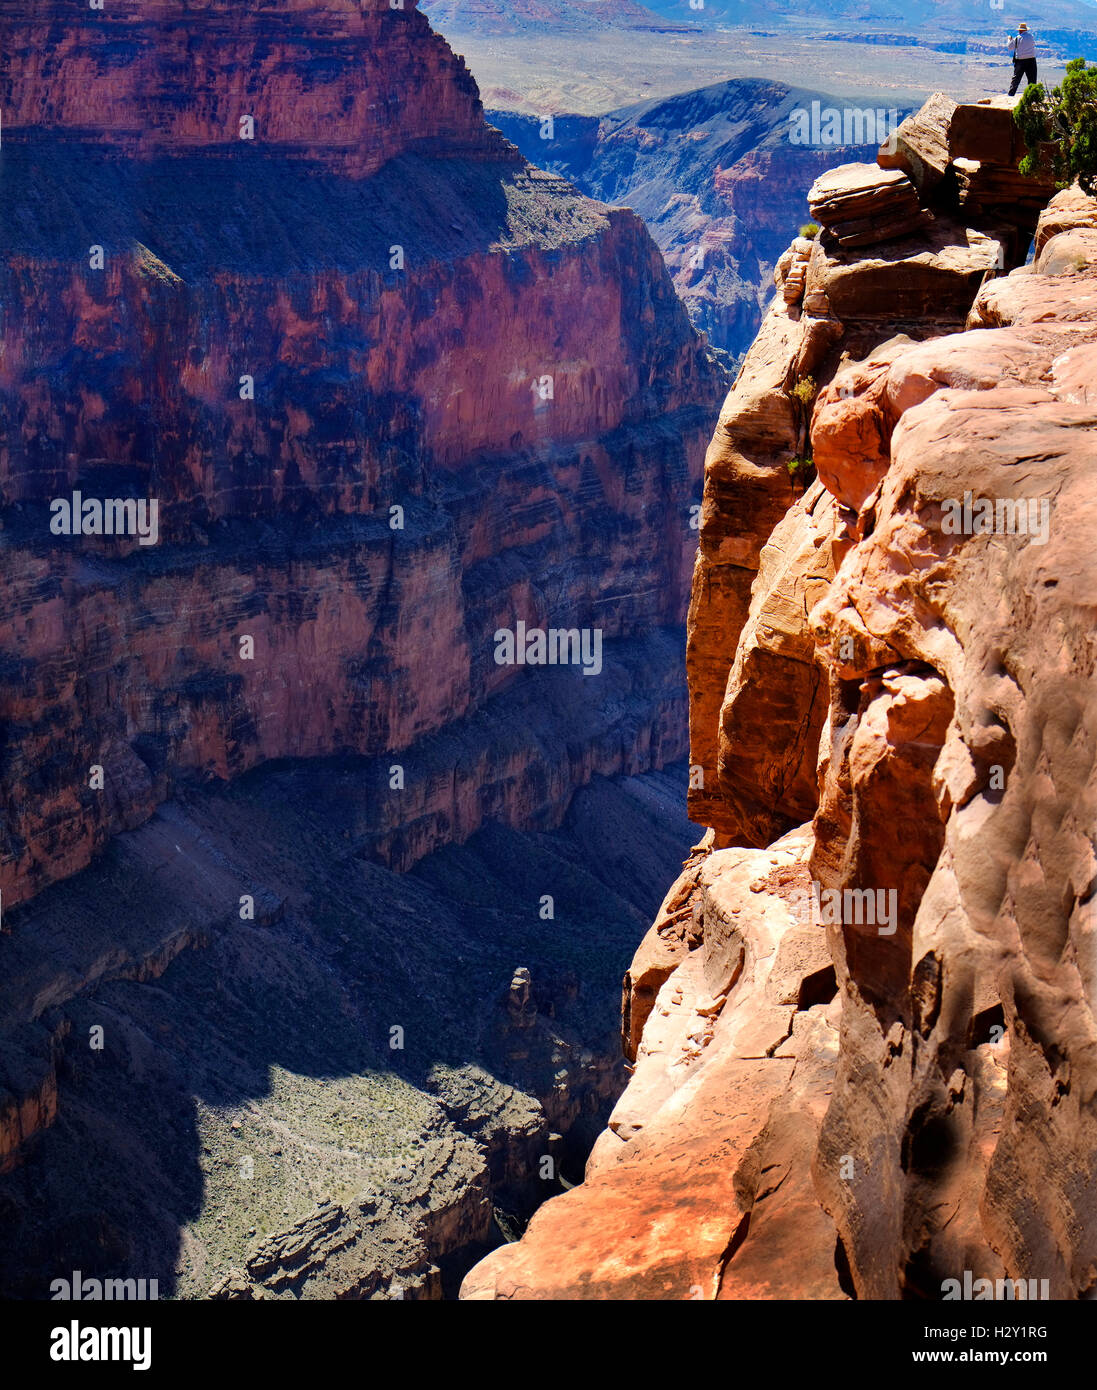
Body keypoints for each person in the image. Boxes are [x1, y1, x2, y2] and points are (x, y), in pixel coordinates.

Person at [1007, 23, 1038, 95]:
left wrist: (1009, 40)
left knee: (1016, 79)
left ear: (1020, 30)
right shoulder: (1031, 37)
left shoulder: (1018, 38)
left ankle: (1011, 94)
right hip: (1031, 60)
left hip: (1020, 61)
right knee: (1032, 79)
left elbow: (1010, 47)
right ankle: (1032, 95)